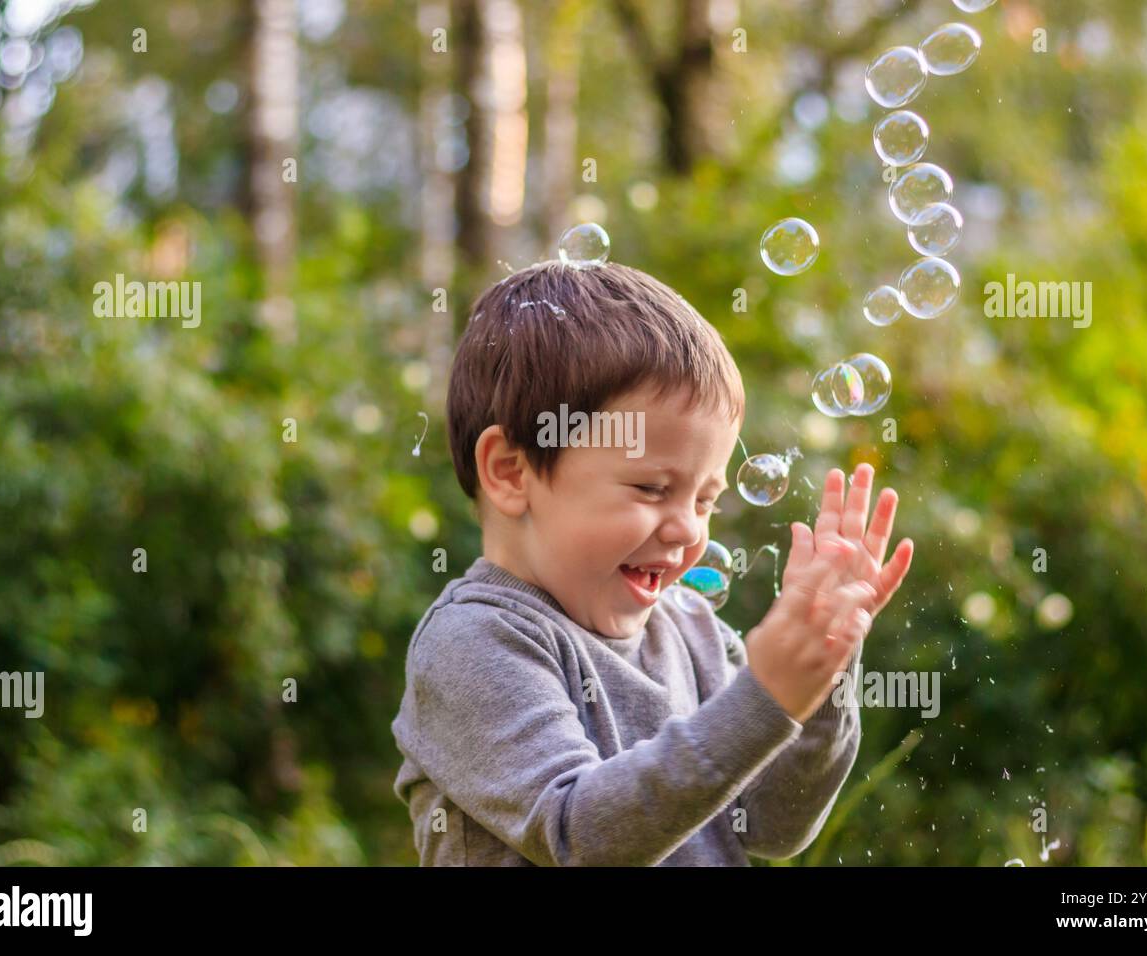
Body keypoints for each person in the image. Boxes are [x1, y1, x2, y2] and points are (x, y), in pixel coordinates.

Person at [391, 260, 914, 865]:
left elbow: (772, 826)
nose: (689, 527)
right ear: (512, 472)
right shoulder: (474, 642)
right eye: (650, 489)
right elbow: (578, 834)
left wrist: (820, 672)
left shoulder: (693, 632)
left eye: (705, 499)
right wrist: (763, 698)